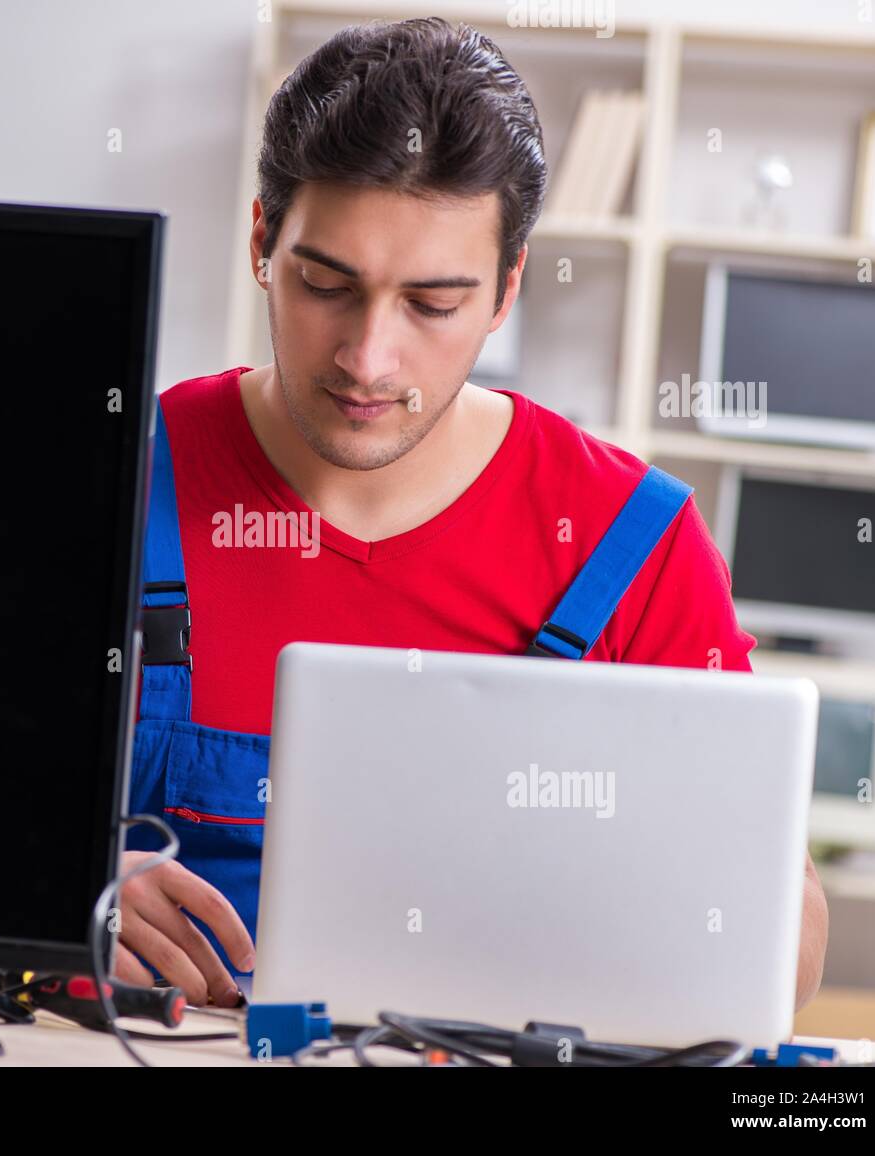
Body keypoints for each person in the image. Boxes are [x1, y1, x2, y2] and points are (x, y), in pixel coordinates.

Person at [115, 16, 828, 1013]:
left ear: (505, 290)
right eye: (327, 284)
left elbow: (775, 930)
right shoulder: (110, 480)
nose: (368, 358)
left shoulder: (632, 542)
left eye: (433, 303)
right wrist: (64, 891)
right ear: (262, 243)